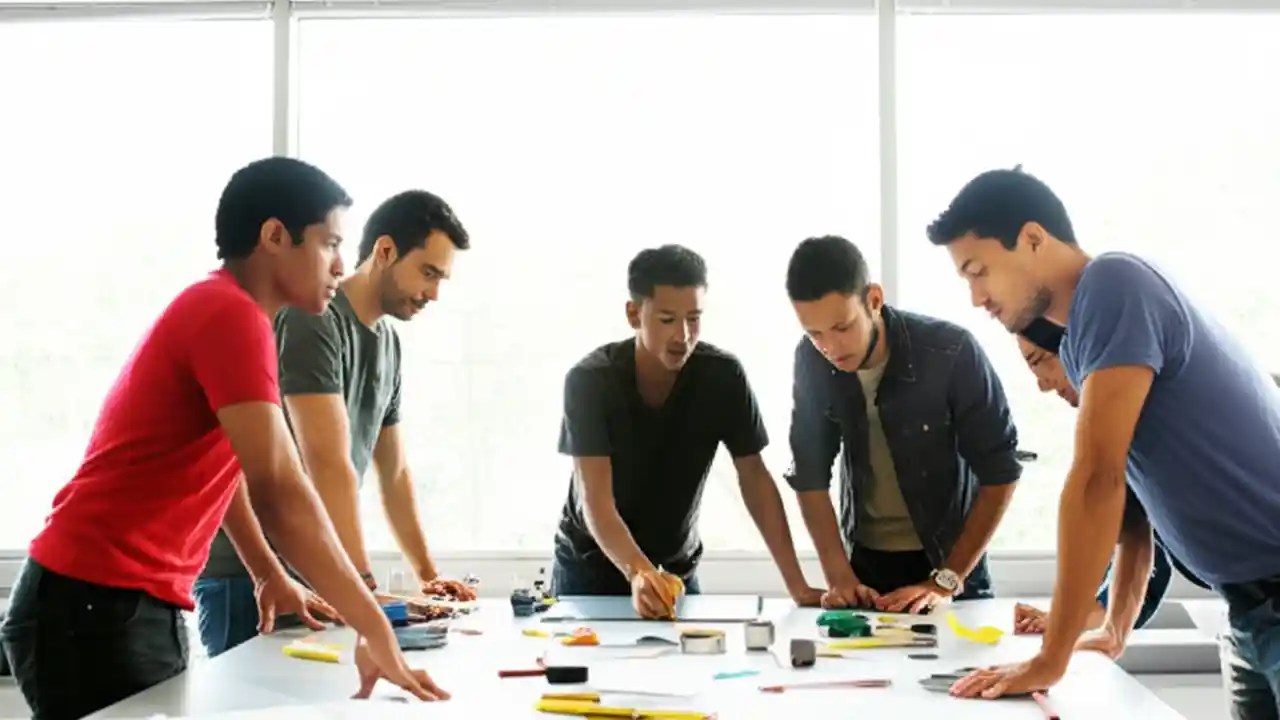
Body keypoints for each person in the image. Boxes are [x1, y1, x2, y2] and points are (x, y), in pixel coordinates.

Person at [0, 158, 449, 720]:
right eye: (330, 243)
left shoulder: (240, 317)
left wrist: (268, 572)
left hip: (114, 604)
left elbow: (228, 470)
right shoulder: (227, 314)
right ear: (274, 236)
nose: (340, 264)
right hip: (92, 605)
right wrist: (373, 623)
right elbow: (282, 490)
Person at [928, 166, 1280, 718]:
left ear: (1033, 239)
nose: (977, 298)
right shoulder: (1084, 345)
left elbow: (1096, 479)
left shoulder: (1114, 284)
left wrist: (1051, 656)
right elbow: (1135, 506)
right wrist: (1114, 628)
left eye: (979, 272)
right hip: (1248, 611)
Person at [194, 189, 477, 657]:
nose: (433, 294)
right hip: (252, 578)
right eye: (428, 273)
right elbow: (327, 464)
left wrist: (429, 578)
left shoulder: (388, 342)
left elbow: (395, 472)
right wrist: (362, 587)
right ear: (385, 251)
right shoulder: (314, 320)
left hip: (314, 574)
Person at [551, 244, 824, 618]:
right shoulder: (589, 381)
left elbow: (755, 480)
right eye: (666, 319)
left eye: (693, 318)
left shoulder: (723, 375)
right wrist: (639, 572)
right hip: (589, 572)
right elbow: (594, 499)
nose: (682, 335)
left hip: (674, 572)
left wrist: (797, 585)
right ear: (634, 314)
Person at [784, 235, 1022, 615]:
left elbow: (1001, 472)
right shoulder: (811, 361)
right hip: (865, 569)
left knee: (961, 673)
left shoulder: (952, 351)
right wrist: (839, 577)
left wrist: (946, 580)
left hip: (952, 568)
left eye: (842, 327)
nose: (830, 346)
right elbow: (810, 476)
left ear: (874, 300)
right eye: (815, 334)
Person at [1010, 318, 1209, 636]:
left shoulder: (1185, 410)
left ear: (1084, 351)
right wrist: (1083, 619)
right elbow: (1138, 538)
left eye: (1041, 361)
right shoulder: (1128, 429)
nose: (1042, 384)